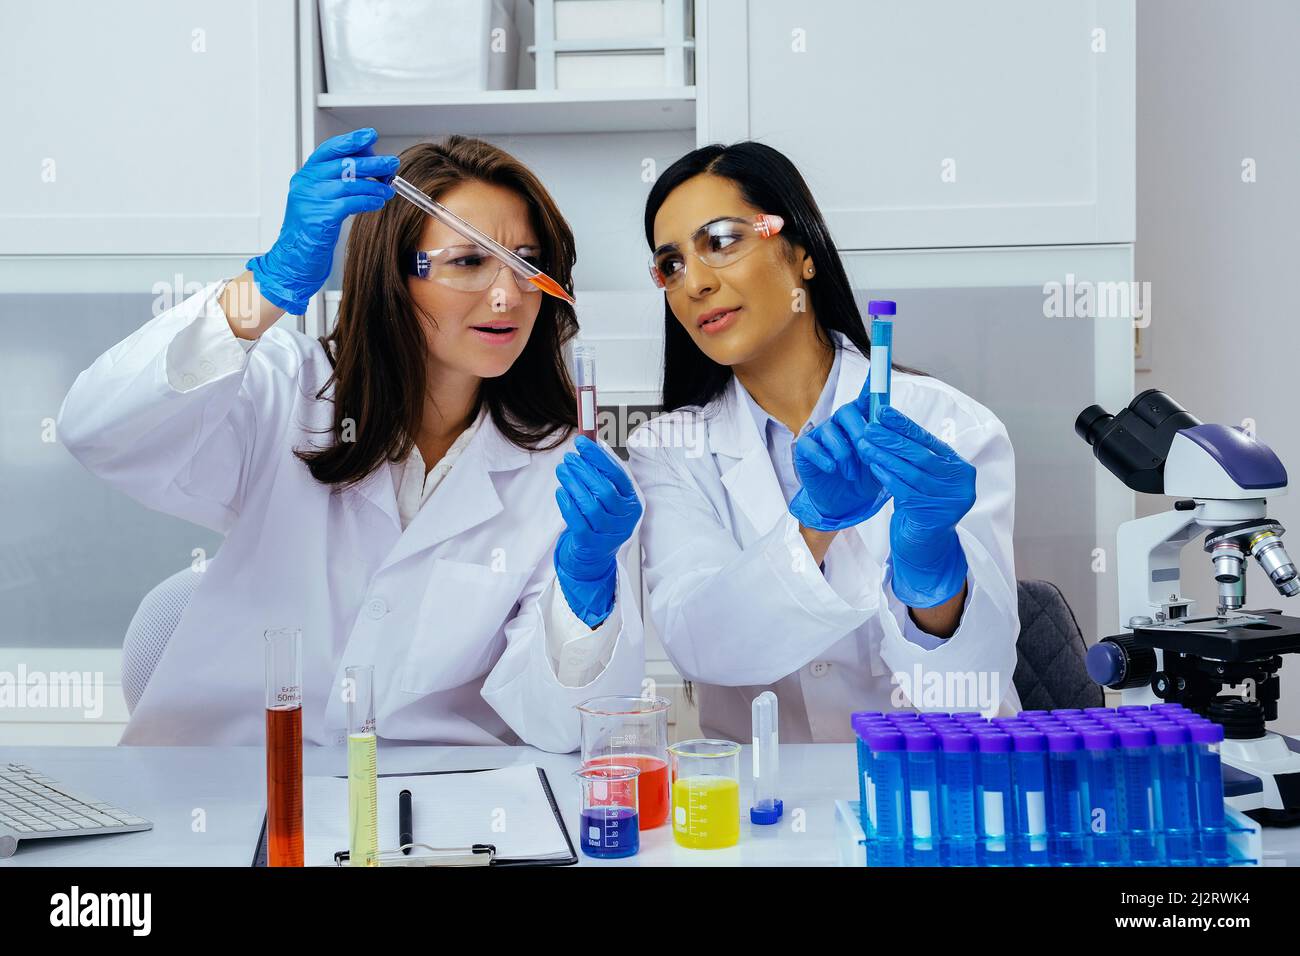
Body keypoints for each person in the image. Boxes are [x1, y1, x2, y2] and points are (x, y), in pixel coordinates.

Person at [58, 129, 644, 750]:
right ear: (394, 276)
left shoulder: (555, 469)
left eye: (529, 264)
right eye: (468, 261)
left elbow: (561, 727)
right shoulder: (287, 388)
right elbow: (98, 431)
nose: (507, 296)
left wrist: (586, 590)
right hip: (226, 778)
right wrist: (263, 291)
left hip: (427, 802)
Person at [626, 142, 1020, 743]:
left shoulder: (947, 425)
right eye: (672, 264)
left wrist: (932, 573)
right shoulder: (670, 450)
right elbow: (702, 646)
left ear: (802, 253)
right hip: (764, 810)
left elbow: (971, 693)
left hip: (935, 792)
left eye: (722, 240)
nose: (696, 283)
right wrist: (816, 523)